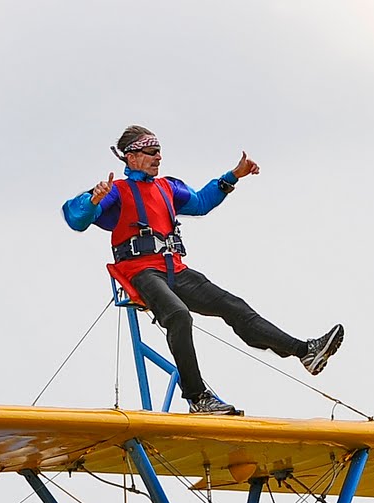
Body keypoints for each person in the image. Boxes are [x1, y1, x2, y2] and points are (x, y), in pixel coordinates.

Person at [62, 125, 343, 416]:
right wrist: (93, 199)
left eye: (159, 151)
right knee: (178, 315)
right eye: (151, 152)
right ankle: (198, 397)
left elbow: (201, 203)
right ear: (132, 158)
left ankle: (304, 352)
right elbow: (75, 217)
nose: (158, 157)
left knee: (233, 306)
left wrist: (234, 175)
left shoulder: (167, 187)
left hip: (176, 270)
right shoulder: (116, 192)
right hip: (141, 272)